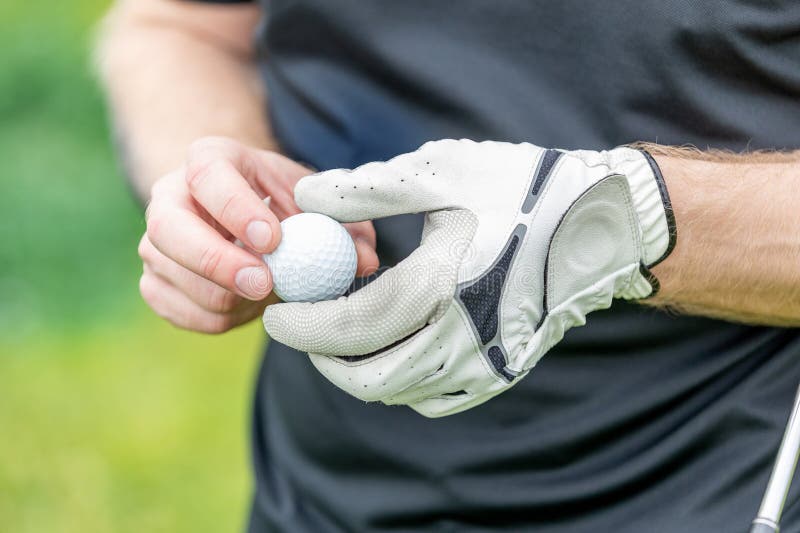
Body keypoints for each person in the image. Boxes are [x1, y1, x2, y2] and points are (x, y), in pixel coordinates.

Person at [96, 0, 800, 531]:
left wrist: (620, 218)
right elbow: (178, 25)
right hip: (320, 495)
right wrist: (214, 191)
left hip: (722, 490)